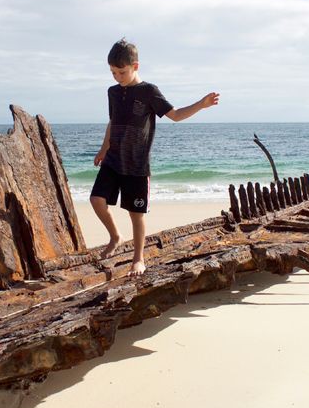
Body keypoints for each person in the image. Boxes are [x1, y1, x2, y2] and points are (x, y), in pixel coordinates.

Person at [90, 38, 219, 276]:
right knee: (97, 200)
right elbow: (112, 122)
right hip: (113, 159)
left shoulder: (149, 91)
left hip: (137, 165)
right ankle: (115, 236)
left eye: (121, 72)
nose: (117, 77)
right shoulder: (113, 92)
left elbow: (176, 115)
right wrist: (103, 148)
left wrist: (201, 104)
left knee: (135, 214)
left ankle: (138, 259)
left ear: (135, 66)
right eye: (113, 72)